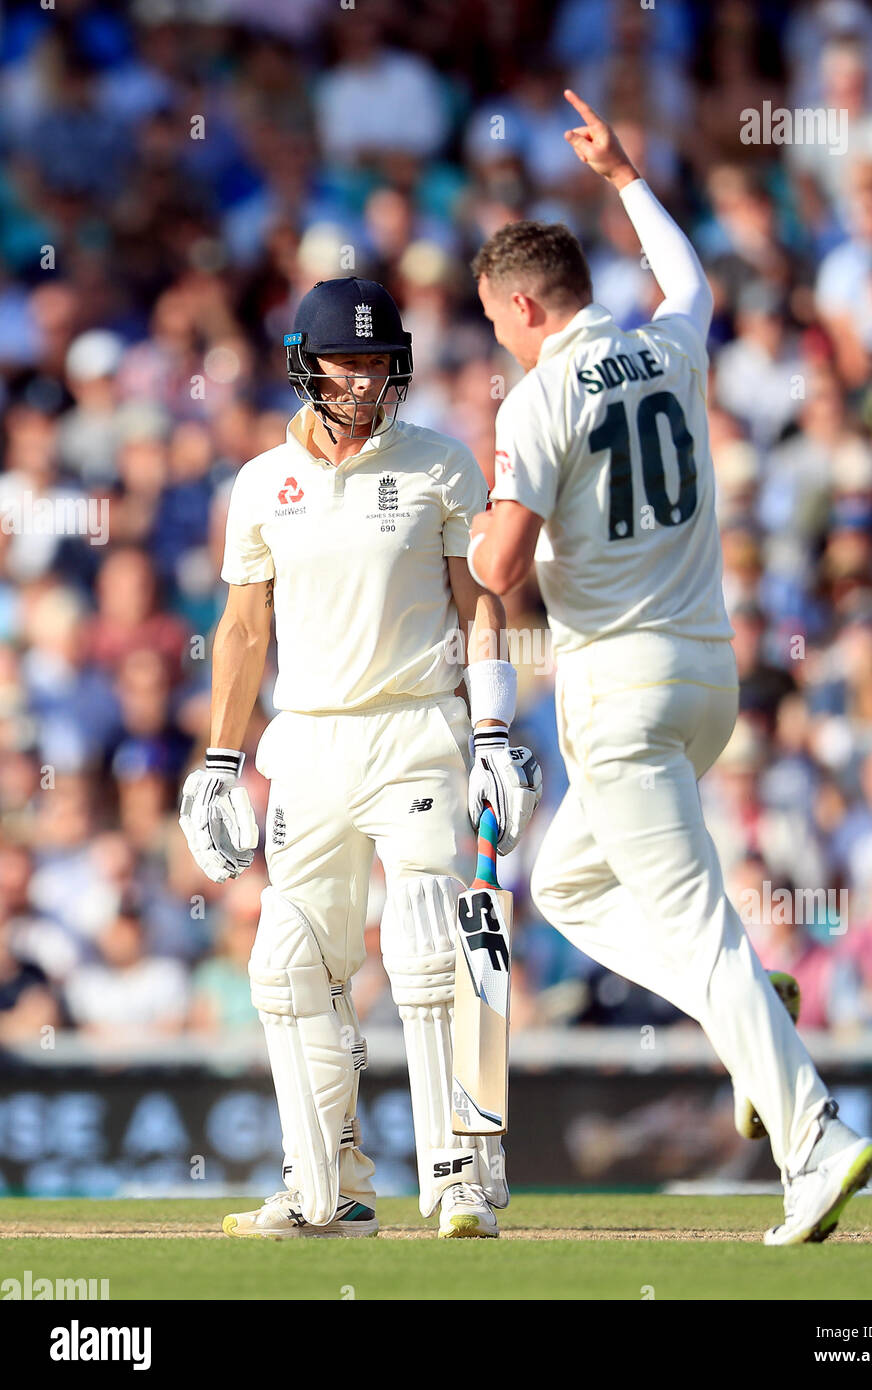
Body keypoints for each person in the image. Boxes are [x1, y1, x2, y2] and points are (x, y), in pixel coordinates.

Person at [466, 91, 872, 1245]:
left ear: (522, 303)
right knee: (572, 887)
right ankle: (748, 1014)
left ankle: (816, 1142)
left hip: (618, 695)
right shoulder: (666, 339)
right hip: (709, 680)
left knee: (698, 926)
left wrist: (454, 524)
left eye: (496, 319)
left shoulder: (538, 398)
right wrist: (626, 178)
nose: (496, 336)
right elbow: (691, 277)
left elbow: (497, 570)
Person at [179, 276, 541, 1239]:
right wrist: (220, 760)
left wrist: (496, 729)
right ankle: (324, 1187)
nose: (366, 380)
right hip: (308, 740)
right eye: (347, 362)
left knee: (429, 935)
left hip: (416, 728)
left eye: (381, 363)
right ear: (304, 363)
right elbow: (245, 625)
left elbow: (482, 604)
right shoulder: (262, 483)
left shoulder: (441, 464)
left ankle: (461, 1173)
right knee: (289, 961)